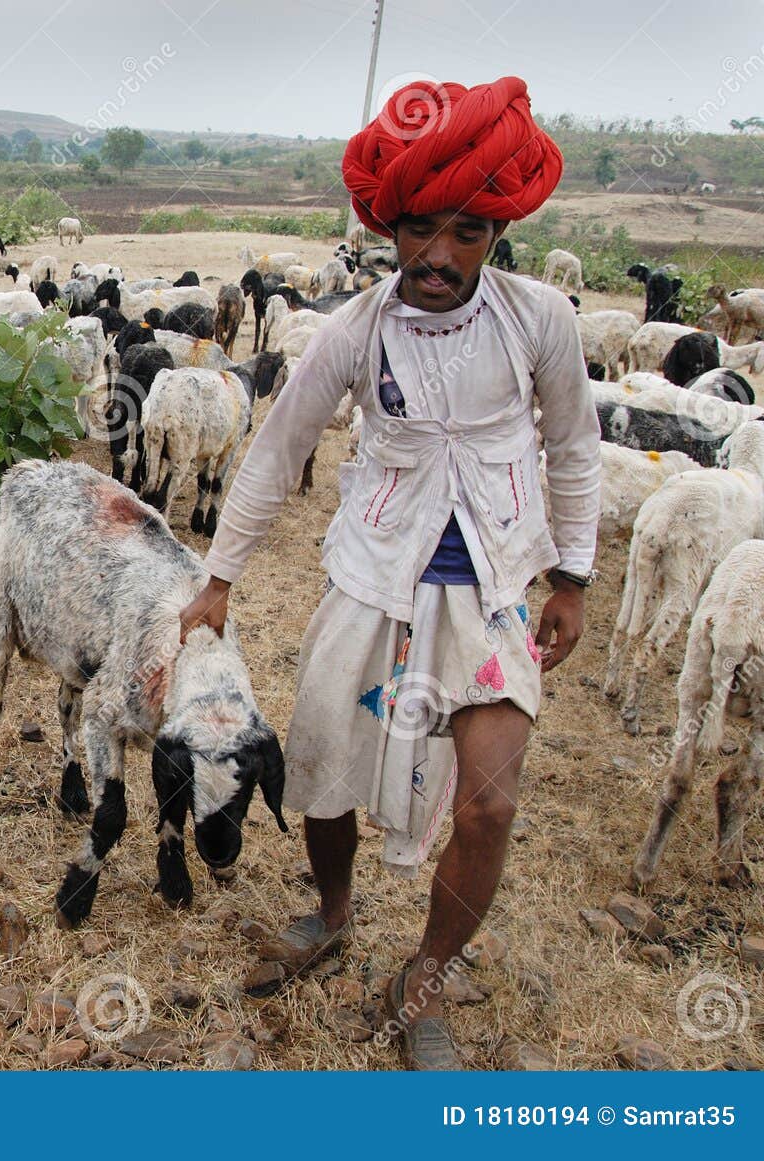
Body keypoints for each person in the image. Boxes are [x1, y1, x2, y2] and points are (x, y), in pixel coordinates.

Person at [177, 76, 601, 1069]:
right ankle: (330, 913)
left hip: (492, 593)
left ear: (497, 232)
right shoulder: (353, 331)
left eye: (466, 234)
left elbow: (575, 448)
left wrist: (570, 578)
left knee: (489, 803)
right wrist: (219, 577)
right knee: (322, 770)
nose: (439, 257)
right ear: (387, 227)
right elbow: (277, 454)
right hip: (369, 580)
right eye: (419, 231)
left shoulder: (539, 321)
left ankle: (427, 971)